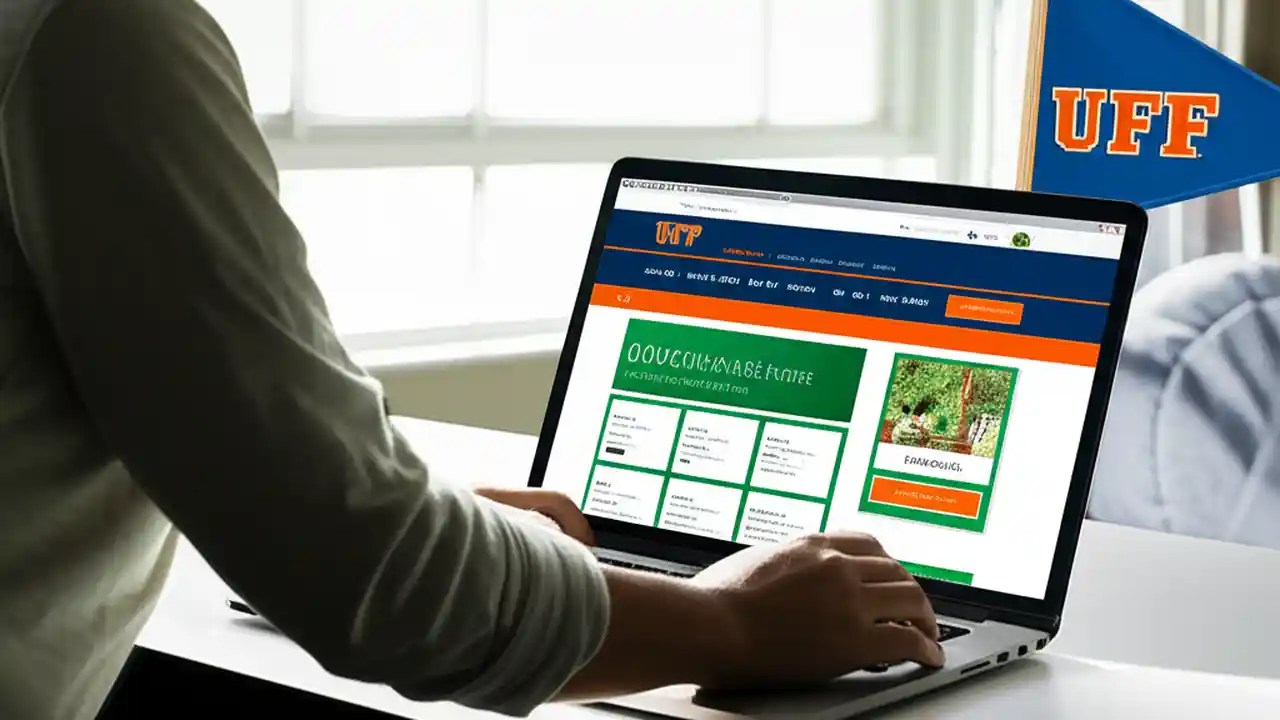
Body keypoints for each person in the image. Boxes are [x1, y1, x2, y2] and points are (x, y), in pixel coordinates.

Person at [0, 1, 944, 718]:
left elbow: (228, 457)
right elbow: (361, 570)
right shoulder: (95, 35)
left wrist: (394, 504)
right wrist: (734, 626)